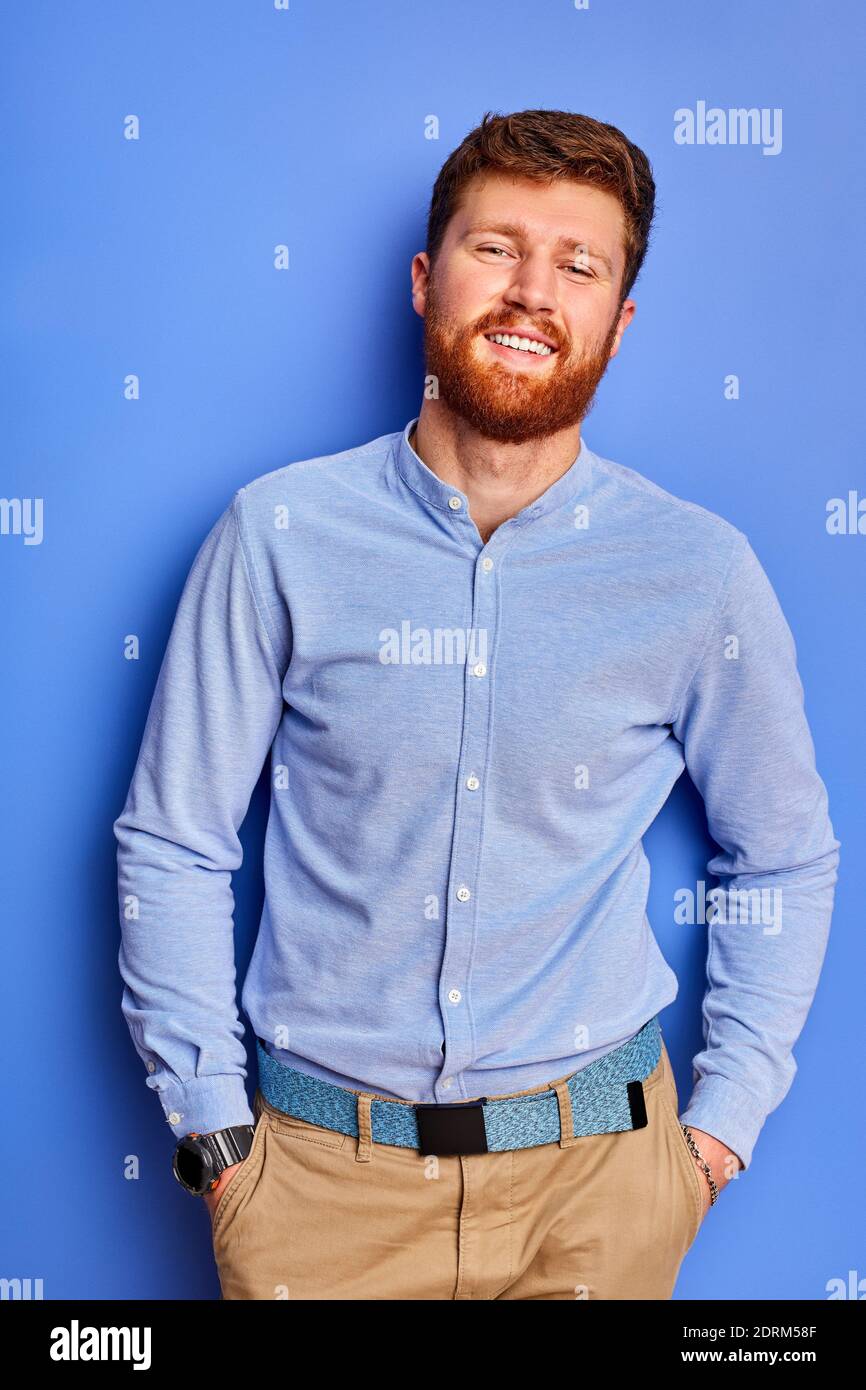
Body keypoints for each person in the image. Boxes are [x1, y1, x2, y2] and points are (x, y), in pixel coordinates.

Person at [114, 108, 840, 1300]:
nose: (530, 292)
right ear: (423, 279)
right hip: (314, 1196)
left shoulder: (697, 571)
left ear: (619, 318)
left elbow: (783, 855)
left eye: (578, 264)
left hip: (599, 1193)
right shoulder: (278, 535)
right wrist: (212, 1129)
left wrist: (714, 1137)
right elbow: (173, 839)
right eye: (494, 248)